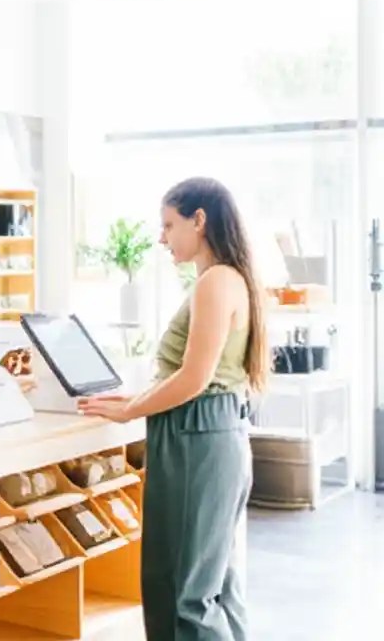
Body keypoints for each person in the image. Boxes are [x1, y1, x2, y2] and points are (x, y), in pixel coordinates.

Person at [80, 177, 265, 641]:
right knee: (214, 586)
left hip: (195, 440)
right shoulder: (228, 279)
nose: (162, 238)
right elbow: (197, 377)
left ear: (199, 221)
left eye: (168, 224)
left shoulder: (215, 281)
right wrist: (137, 400)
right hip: (211, 435)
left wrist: (130, 412)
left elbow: (194, 378)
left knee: (181, 593)